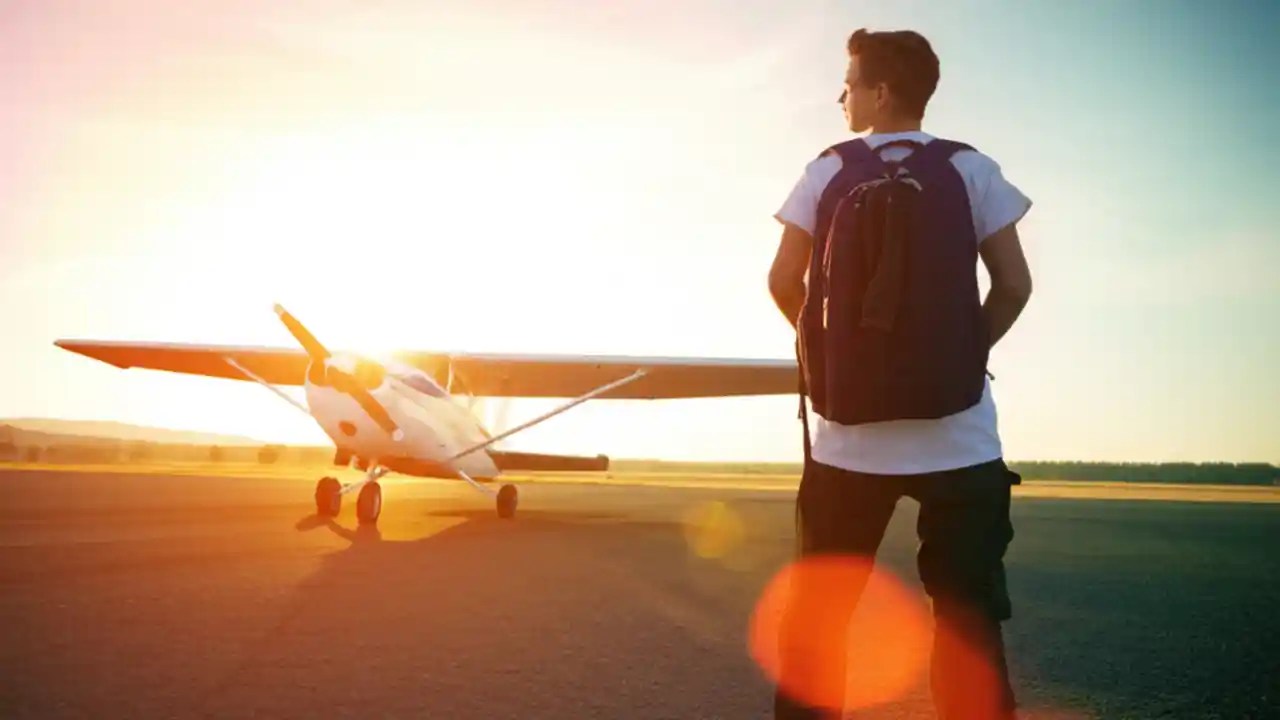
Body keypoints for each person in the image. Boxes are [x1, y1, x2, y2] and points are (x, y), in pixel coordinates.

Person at [767, 28, 1034, 720]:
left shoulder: (826, 170)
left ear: (880, 92)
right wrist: (961, 355)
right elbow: (1012, 286)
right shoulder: (972, 169)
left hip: (846, 444)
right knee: (968, 623)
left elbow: (782, 280)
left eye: (850, 83)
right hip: (962, 439)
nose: (842, 95)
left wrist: (835, 360)